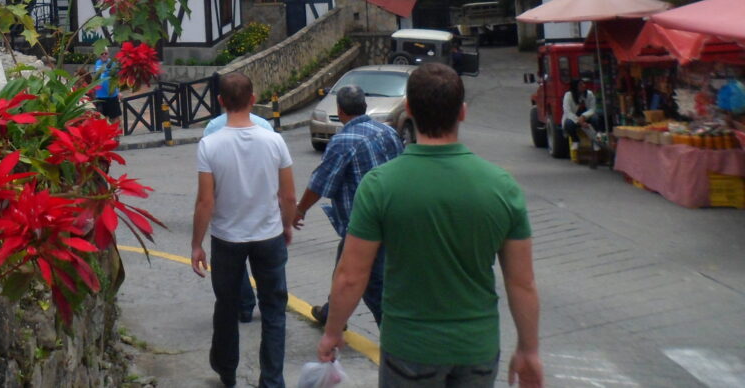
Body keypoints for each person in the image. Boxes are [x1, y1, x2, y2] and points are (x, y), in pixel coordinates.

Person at [317, 62, 542, 388]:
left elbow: (351, 276)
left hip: (409, 347)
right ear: (462, 112)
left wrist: (333, 332)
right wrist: (529, 349)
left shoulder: (379, 186)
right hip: (476, 347)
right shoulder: (501, 186)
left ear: (408, 110)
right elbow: (522, 283)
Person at [191, 73, 296, 388]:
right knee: (274, 310)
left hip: (227, 239)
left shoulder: (209, 144)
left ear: (220, 102)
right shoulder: (274, 140)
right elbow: (288, 195)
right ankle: (273, 380)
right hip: (268, 235)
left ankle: (227, 369)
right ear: (253, 100)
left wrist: (196, 244)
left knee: (226, 306)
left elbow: (205, 202)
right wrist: (287, 224)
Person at [293, 83, 403, 327]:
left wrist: (299, 210)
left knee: (371, 284)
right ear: (364, 107)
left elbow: (320, 183)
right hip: (393, 220)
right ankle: (333, 313)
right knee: (345, 266)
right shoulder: (389, 132)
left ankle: (395, 337)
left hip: (364, 227)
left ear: (340, 111)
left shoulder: (343, 141)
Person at [203, 106, 273, 323]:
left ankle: (244, 306)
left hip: (229, 205)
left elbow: (209, 172)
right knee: (264, 260)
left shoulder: (213, 128)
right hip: (262, 206)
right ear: (252, 99)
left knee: (236, 259)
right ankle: (270, 305)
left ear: (220, 100)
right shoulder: (265, 126)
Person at [92, 49, 121, 124]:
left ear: (108, 54)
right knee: (101, 119)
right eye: (102, 53)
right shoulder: (97, 63)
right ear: (99, 55)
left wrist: (118, 92)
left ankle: (118, 135)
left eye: (106, 53)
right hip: (100, 97)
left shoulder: (113, 64)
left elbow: (116, 79)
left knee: (115, 118)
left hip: (111, 96)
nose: (104, 55)